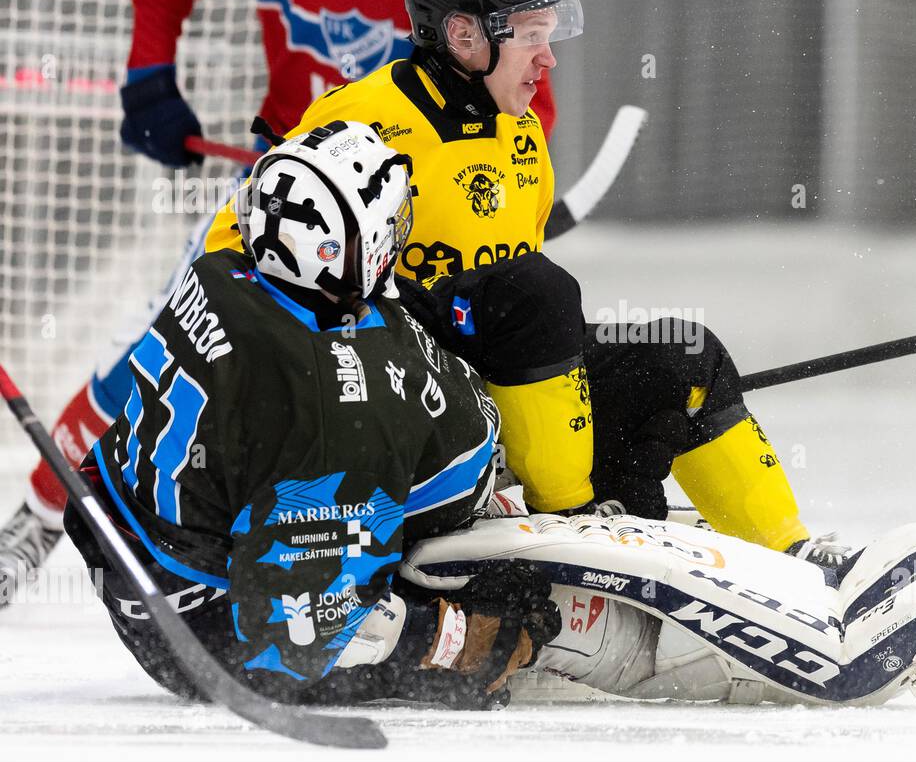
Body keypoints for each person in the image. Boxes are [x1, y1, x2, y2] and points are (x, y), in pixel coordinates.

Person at [199, 0, 841, 573]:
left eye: (551, 32)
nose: (549, 57)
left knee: (680, 357)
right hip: (395, 407)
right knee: (536, 291)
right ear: (463, 34)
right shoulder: (359, 124)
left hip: (489, 402)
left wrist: (611, 403)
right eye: (531, 35)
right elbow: (231, 268)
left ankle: (795, 558)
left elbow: (519, 324)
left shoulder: (520, 132)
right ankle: (572, 531)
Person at [0, 0, 555, 606]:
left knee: (398, 379)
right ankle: (45, 515)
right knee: (159, 346)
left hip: (410, 210)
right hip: (280, 201)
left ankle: (419, 536)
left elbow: (524, 68)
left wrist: (504, 194)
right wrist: (149, 79)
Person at [62, 121, 558, 705]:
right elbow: (291, 643)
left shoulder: (220, 273)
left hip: (152, 559)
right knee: (413, 625)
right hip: (213, 633)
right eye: (388, 222)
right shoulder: (331, 414)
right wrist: (462, 639)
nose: (398, 235)